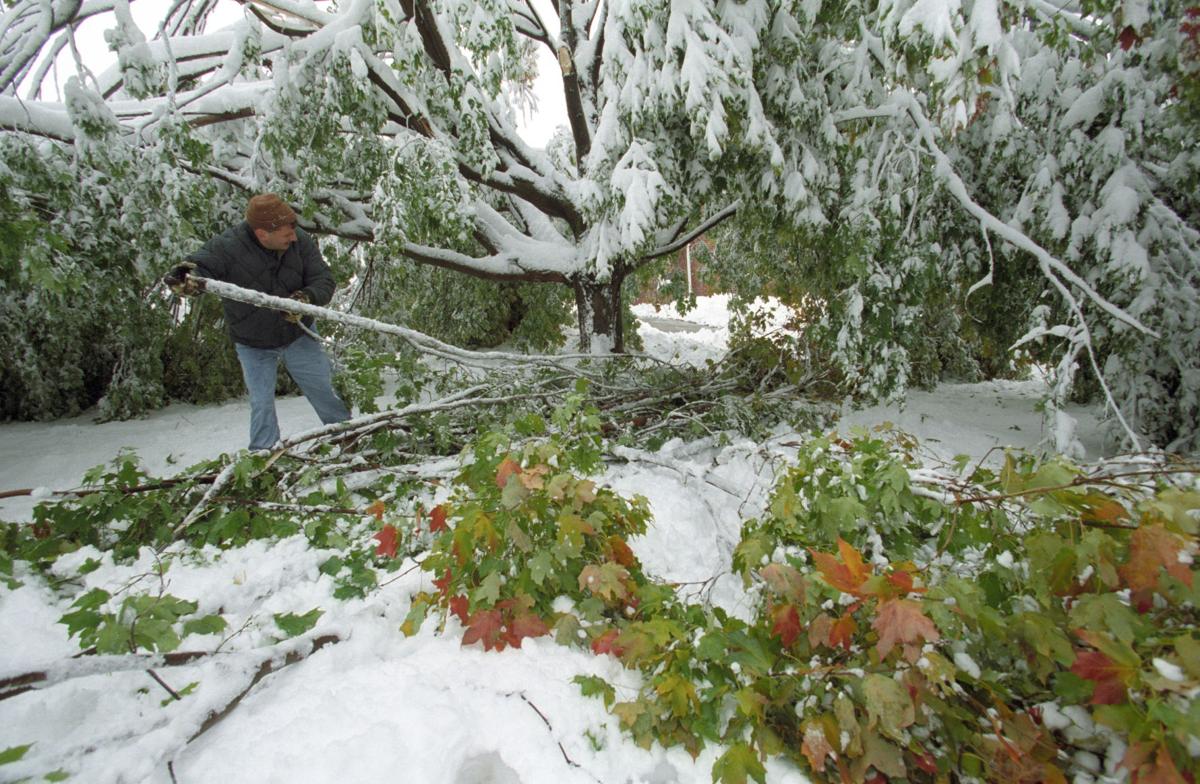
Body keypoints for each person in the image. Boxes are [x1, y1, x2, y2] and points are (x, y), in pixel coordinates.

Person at [165, 193, 351, 451]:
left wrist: (306, 299)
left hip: (297, 334)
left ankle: (348, 436)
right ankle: (264, 455)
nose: (294, 237)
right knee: (261, 402)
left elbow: (324, 280)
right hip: (252, 341)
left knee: (324, 389)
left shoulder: (301, 242)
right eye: (287, 234)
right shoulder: (228, 246)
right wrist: (186, 278)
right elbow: (200, 266)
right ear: (263, 234)